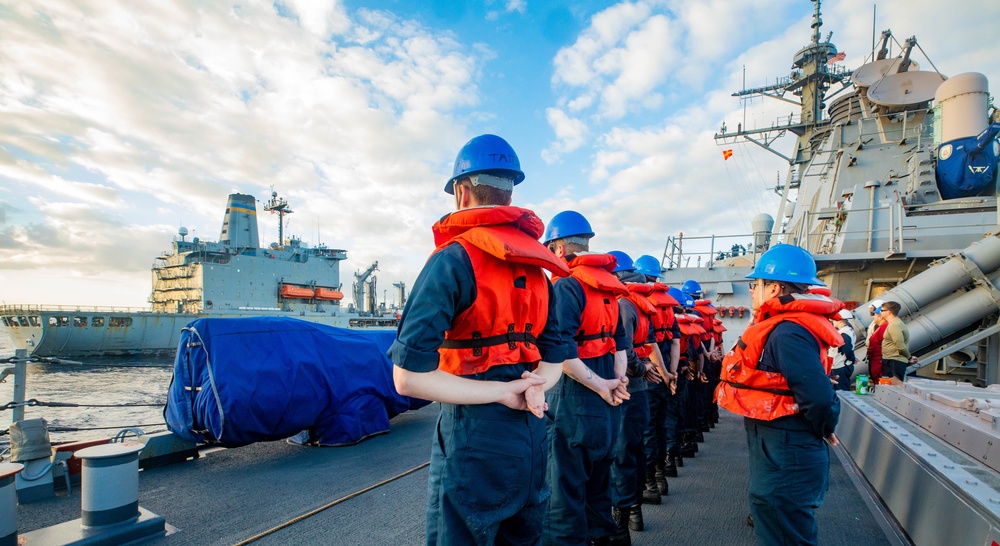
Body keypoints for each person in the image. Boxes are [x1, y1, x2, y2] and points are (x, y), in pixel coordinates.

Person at [388, 134, 570, 545]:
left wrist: (503, 392)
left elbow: (407, 379)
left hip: (473, 439)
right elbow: (555, 360)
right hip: (532, 434)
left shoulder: (453, 260)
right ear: (509, 194)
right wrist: (531, 387)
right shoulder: (540, 273)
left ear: (461, 192)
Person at [715, 244, 844, 546]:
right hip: (779, 441)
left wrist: (824, 426)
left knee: (783, 525)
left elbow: (818, 397)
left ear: (773, 288)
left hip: (787, 442)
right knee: (773, 515)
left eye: (755, 284)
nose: (751, 291)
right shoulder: (787, 328)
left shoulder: (788, 333)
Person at [541, 210, 630, 546]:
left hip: (574, 404)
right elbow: (620, 347)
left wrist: (602, 386)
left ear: (559, 249)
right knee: (598, 493)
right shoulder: (608, 290)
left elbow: (561, 352)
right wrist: (616, 383)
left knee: (563, 499)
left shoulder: (566, 286)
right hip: (607, 409)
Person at [608, 251, 669, 546]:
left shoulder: (622, 304)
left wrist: (643, 368)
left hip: (628, 390)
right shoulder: (642, 304)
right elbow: (651, 344)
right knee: (636, 449)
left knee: (622, 454)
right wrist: (663, 372)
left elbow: (627, 350)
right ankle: (635, 509)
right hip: (640, 392)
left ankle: (621, 523)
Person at [880, 300, 917, 384]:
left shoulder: (895, 325)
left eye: (882, 310)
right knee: (890, 386)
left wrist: (909, 358)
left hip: (894, 361)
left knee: (894, 385)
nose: (880, 312)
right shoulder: (893, 324)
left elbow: (900, 346)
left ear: (888, 312)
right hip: (891, 360)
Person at [829, 309, 857, 390]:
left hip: (840, 365)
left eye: (835, 319)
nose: (833, 321)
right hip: (841, 365)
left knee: (841, 390)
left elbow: (847, 349)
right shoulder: (848, 330)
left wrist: (852, 359)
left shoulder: (843, 333)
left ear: (840, 321)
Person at [867, 305, 888, 380]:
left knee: (879, 381)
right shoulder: (880, 327)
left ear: (880, 317)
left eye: (875, 315)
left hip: (879, 360)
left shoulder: (884, 328)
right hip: (876, 360)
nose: (873, 317)